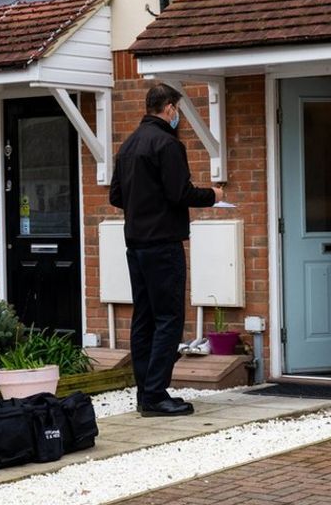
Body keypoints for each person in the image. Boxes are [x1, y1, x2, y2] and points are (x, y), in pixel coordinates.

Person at [109, 84, 225, 417]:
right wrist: (214, 196)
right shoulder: (167, 144)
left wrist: (143, 205)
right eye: (178, 111)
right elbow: (180, 193)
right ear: (170, 108)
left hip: (136, 244)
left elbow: (116, 196)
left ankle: (145, 394)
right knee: (168, 319)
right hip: (163, 244)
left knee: (143, 319)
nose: (178, 117)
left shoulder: (128, 145)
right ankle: (157, 395)